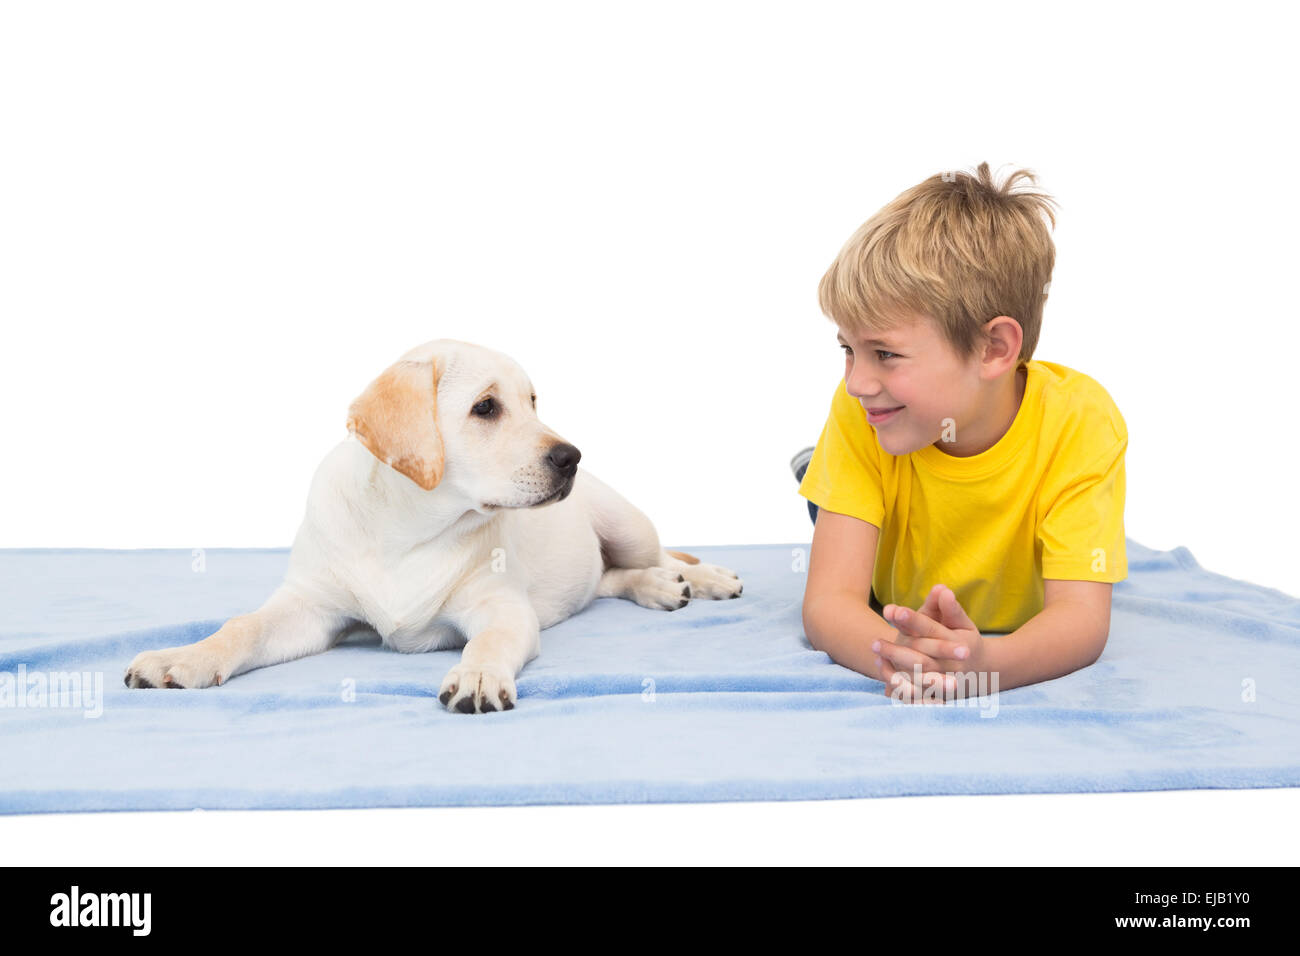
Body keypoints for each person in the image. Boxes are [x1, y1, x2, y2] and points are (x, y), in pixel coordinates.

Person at [794, 162, 1127, 703]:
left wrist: (985, 665)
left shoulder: (1080, 421)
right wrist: (900, 660)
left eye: (885, 354)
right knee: (837, 481)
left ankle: (820, 473)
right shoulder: (861, 408)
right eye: (847, 351)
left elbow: (1081, 619)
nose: (856, 382)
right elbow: (829, 602)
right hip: (884, 477)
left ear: (994, 349)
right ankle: (820, 475)